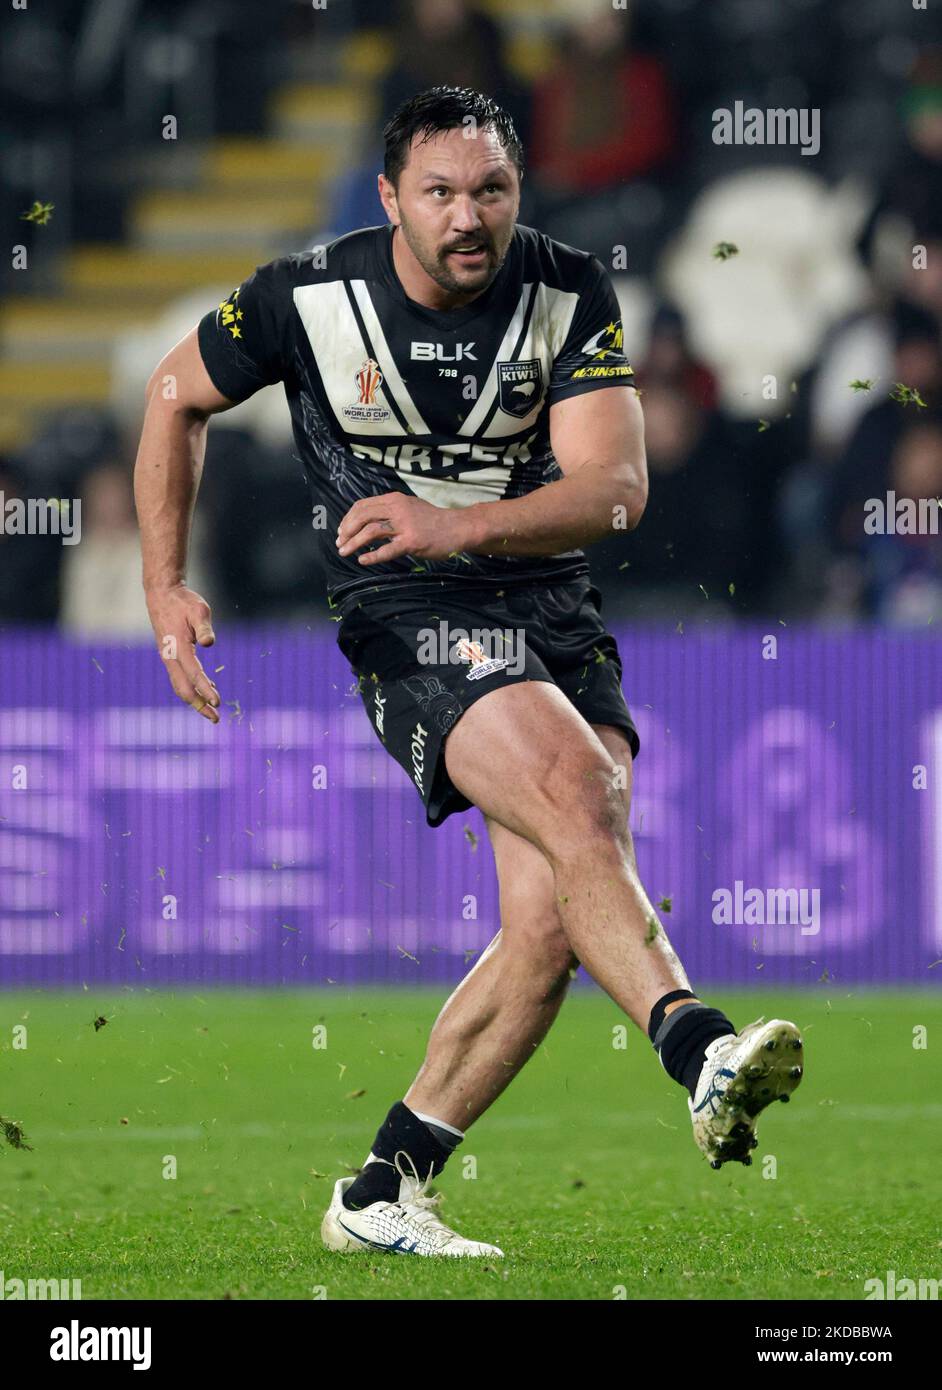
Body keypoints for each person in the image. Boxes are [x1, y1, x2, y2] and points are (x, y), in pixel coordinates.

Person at [133, 86, 803, 1260]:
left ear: (518, 192)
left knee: (549, 920)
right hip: (403, 609)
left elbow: (616, 491)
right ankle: (698, 1047)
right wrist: (162, 584)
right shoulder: (305, 296)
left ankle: (383, 1184)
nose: (466, 216)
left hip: (547, 599)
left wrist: (455, 526)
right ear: (391, 197)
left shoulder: (568, 288)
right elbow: (174, 394)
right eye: (438, 191)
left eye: (489, 188)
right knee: (578, 791)